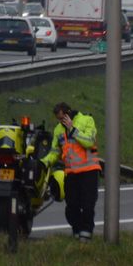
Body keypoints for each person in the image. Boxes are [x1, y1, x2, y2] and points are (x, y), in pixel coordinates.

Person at [42, 101, 101, 242]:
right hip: (71, 173)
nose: (61, 121)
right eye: (58, 119)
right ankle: (77, 230)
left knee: (87, 205)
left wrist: (72, 129)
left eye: (62, 118)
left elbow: (89, 142)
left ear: (68, 114)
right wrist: (43, 162)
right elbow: (55, 152)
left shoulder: (87, 120)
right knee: (71, 207)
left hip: (89, 170)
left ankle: (86, 232)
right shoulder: (58, 130)